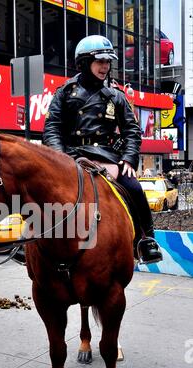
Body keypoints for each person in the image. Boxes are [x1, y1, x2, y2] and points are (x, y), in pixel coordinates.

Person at [43, 35, 162, 264]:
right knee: (39, 187)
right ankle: (31, 241)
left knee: (134, 189)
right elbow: (52, 129)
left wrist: (128, 160)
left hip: (109, 157)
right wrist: (62, 160)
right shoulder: (65, 93)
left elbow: (132, 131)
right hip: (71, 157)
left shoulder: (116, 96)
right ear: (84, 63)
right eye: (100, 61)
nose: (105, 66)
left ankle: (146, 240)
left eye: (108, 61)